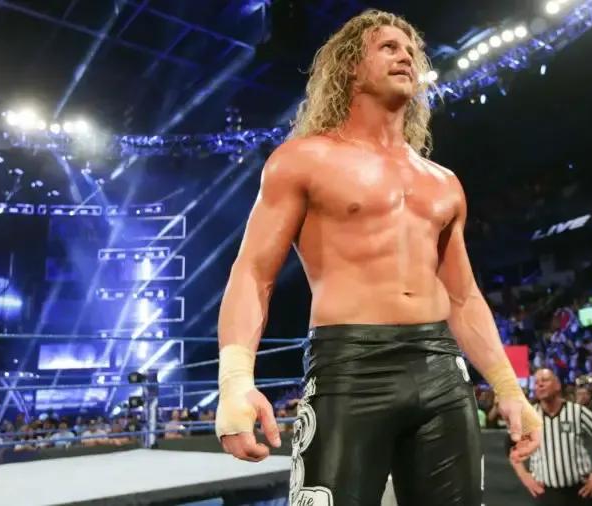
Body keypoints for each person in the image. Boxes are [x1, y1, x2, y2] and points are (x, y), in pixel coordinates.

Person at [213, 10, 542, 506]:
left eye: (411, 50)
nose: (405, 55)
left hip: (440, 366)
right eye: (388, 47)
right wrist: (235, 380)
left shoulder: (443, 182)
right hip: (350, 364)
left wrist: (509, 389)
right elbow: (252, 274)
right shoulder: (304, 159)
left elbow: (463, 296)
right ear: (350, 66)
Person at [512, 369, 592, 505]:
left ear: (557, 385)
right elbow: (511, 447)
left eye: (545, 380)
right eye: (536, 382)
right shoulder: (529, 416)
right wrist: (524, 476)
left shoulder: (576, 412)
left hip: (579, 491)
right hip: (547, 493)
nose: (540, 385)